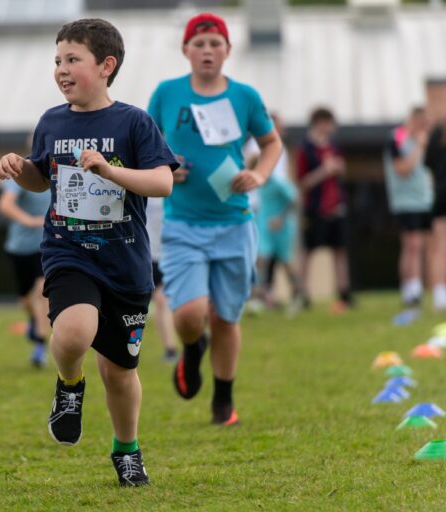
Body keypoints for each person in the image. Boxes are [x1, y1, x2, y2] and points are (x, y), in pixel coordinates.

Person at [0, 18, 178, 486]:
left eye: (72, 59)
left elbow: (162, 181)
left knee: (119, 373)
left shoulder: (133, 121)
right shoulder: (52, 122)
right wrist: (20, 170)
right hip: (69, 250)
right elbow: (41, 177)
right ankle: (70, 385)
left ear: (106, 65)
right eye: (57, 60)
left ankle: (126, 449)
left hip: (126, 261)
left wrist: (111, 170)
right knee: (74, 333)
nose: (61, 69)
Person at [147, 13, 283, 426]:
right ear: (186, 50)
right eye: (199, 43)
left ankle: (223, 399)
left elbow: (271, 142)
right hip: (182, 224)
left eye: (215, 43)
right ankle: (191, 348)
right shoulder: (167, 94)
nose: (207, 51)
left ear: (227, 50)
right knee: (188, 314)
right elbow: (145, 145)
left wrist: (258, 174)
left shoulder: (244, 96)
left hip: (235, 223)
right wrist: (165, 167)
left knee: (226, 316)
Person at [296, 107, 352, 312]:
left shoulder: (335, 147)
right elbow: (301, 183)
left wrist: (338, 168)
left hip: (337, 207)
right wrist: (323, 171)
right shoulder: (306, 149)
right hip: (315, 207)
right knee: (308, 251)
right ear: (317, 123)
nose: (329, 128)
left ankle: (344, 294)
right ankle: (302, 294)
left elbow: (341, 173)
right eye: (325, 123)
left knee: (340, 250)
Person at [0, 176, 51, 367]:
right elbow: (5, 205)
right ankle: (34, 321)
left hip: (46, 246)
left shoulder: (60, 173)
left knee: (42, 290)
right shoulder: (22, 175)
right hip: (19, 248)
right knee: (26, 300)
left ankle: (40, 346)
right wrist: (28, 220)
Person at [383, 107, 433, 309]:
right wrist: (418, 147)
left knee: (418, 245)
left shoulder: (422, 139)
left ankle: (416, 289)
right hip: (405, 202)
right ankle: (409, 290)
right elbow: (402, 169)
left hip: (423, 200)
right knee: (411, 244)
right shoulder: (398, 138)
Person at [253, 113, 302, 311]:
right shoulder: (258, 179)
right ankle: (260, 297)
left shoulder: (277, 181)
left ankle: (298, 294)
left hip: (281, 225)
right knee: (262, 258)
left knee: (286, 262)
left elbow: (294, 198)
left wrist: (281, 218)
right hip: (263, 221)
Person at [145, 196, 178, 362]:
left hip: (172, 255)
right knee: (160, 301)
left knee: (163, 300)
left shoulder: (175, 187)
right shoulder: (141, 185)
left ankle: (172, 348)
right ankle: (170, 348)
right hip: (148, 256)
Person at [426, 117, 446, 311]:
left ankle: (440, 296)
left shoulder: (437, 132)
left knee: (440, 248)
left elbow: (427, 163)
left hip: (440, 194)